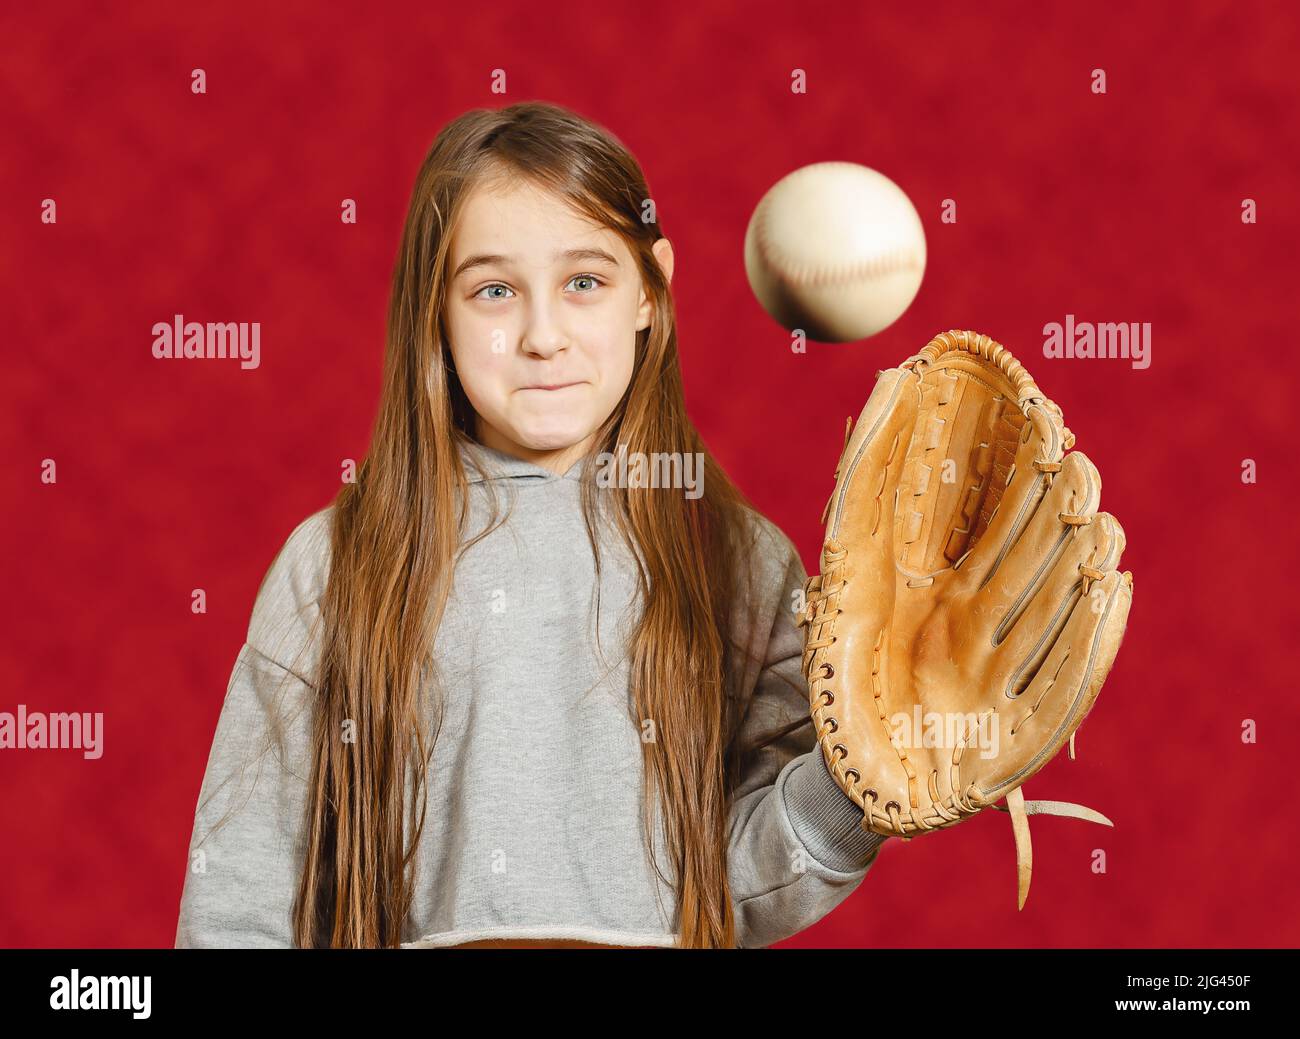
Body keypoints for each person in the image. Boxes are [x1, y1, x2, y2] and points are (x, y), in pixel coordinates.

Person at [174, 101, 885, 950]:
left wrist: (858, 786)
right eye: (495, 290)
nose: (543, 336)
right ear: (434, 308)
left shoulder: (738, 561)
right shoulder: (335, 561)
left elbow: (743, 883)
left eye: (585, 281)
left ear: (651, 290)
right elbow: (242, 894)